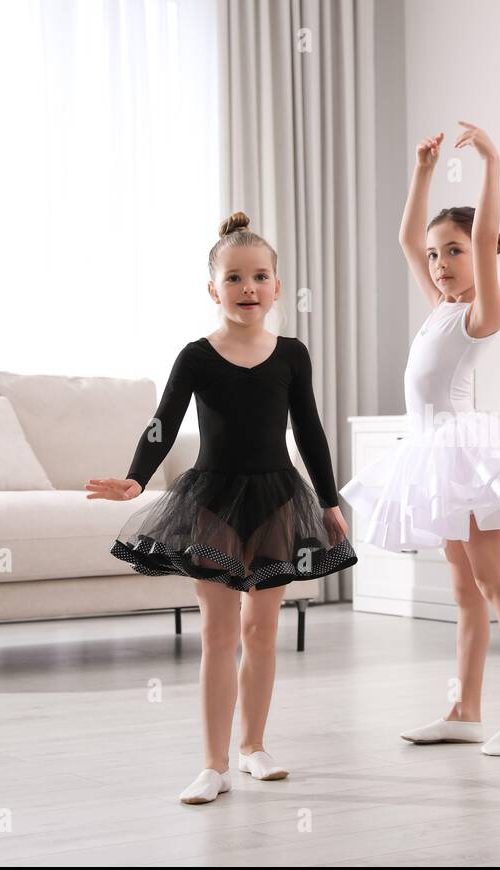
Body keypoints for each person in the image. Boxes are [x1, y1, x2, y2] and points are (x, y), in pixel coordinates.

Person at [87, 211, 357, 803]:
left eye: (260, 276)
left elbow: (310, 432)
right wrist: (136, 481)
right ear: (214, 289)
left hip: (277, 500)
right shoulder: (197, 356)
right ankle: (212, 764)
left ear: (277, 286)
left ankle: (253, 747)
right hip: (210, 503)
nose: (248, 288)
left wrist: (330, 501)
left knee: (262, 633)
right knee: (219, 634)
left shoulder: (292, 355)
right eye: (234, 278)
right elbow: (164, 425)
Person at [339, 122, 500, 756]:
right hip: (429, 454)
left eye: (456, 251)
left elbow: (481, 232)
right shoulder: (441, 306)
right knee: (462, 588)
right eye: (438, 253)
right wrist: (422, 171)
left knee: (494, 579)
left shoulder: (481, 314)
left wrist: (492, 164)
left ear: (485, 254)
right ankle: (465, 708)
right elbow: (404, 240)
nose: (441, 262)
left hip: (463, 452)